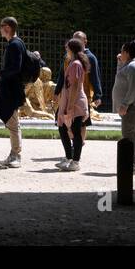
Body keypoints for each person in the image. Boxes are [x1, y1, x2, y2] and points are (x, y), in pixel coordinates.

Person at [0, 17, 28, 167]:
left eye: (1, 26)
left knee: (13, 124)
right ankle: (14, 154)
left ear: (7, 27)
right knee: (12, 122)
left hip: (12, 90)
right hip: (12, 89)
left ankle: (16, 156)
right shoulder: (16, 43)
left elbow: (15, 69)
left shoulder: (14, 45)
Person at [112, 40, 135, 174]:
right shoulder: (128, 65)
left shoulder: (134, 66)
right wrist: (120, 63)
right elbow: (120, 77)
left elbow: (134, 88)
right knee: (133, 135)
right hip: (130, 106)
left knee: (128, 136)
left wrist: (125, 104)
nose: (120, 53)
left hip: (132, 106)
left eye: (122, 51)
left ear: (126, 52)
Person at [55, 38, 90, 171]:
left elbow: (75, 87)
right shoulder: (74, 63)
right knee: (63, 128)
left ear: (72, 49)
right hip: (71, 101)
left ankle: (75, 161)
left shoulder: (75, 64)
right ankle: (70, 158)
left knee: (74, 131)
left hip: (75, 103)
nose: (65, 49)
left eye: (67, 47)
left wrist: (70, 106)